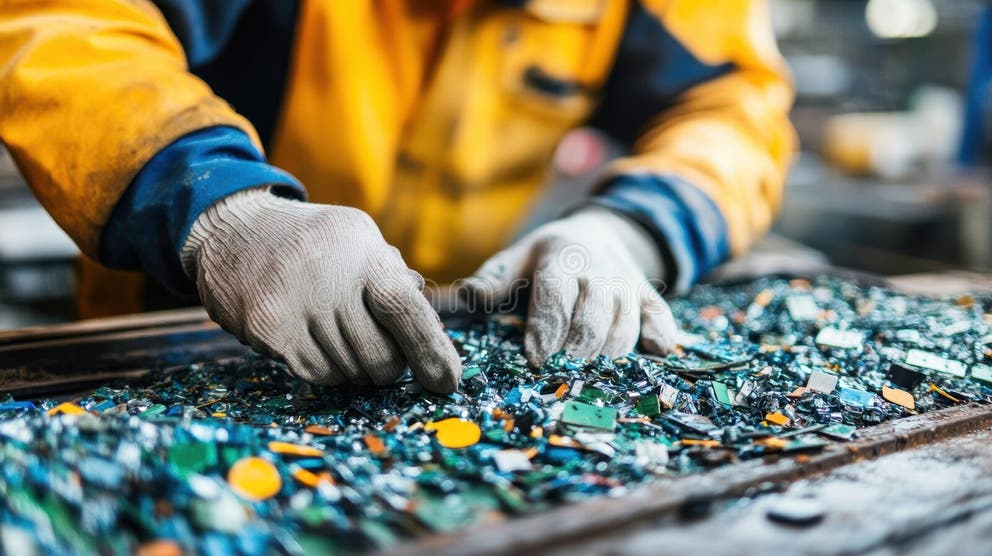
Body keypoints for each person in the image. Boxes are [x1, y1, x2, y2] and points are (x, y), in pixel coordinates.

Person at [0, 0, 795, 392]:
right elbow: (66, 24)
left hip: (451, 344)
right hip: (182, 319)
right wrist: (222, 211)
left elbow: (734, 108)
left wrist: (633, 229)